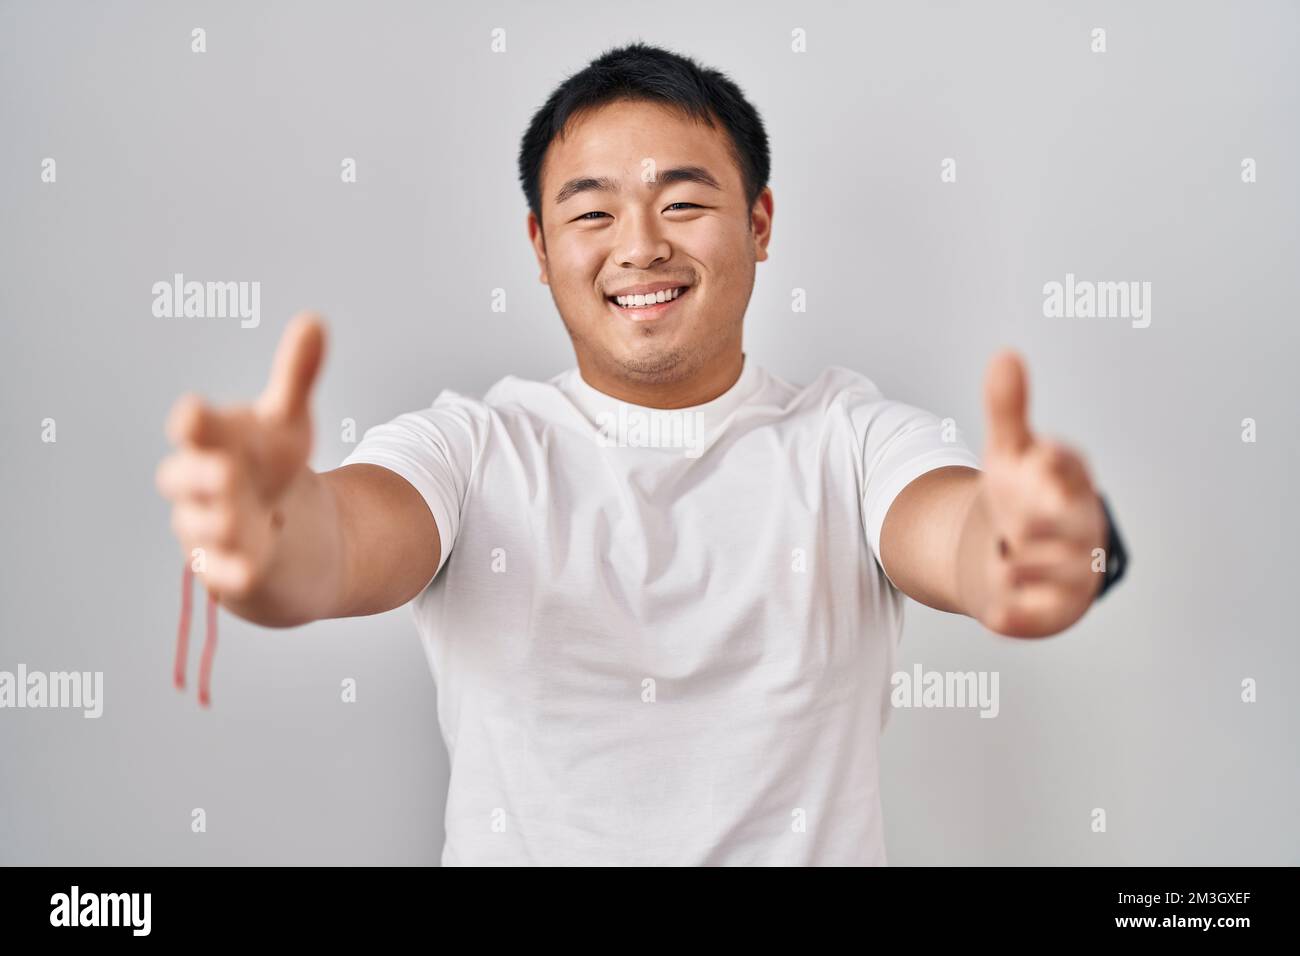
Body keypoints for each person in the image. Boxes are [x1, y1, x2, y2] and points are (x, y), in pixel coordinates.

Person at [154, 42, 1126, 865]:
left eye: (684, 203)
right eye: (591, 213)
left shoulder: (852, 438)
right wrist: (266, 535)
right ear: (539, 247)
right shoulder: (473, 445)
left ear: (759, 222)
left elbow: (963, 532)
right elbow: (334, 547)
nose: (640, 245)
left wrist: (1037, 545)